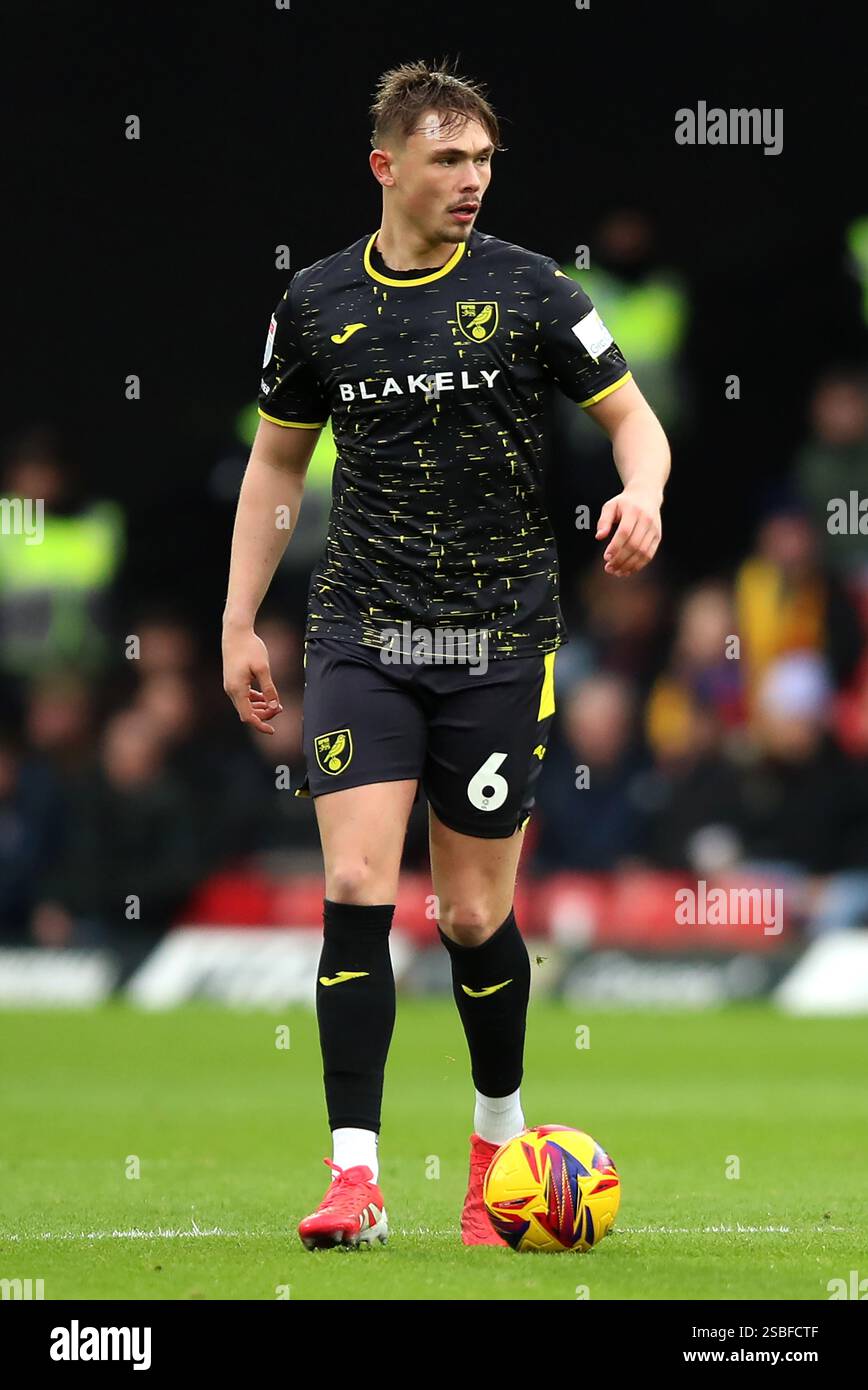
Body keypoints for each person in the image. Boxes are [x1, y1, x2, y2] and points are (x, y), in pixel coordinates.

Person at [221, 59, 670, 1249]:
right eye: (447, 161)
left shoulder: (531, 292)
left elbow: (633, 419)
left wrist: (643, 495)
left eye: (482, 161)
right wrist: (236, 618)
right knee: (358, 888)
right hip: (362, 630)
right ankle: (354, 1179)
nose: (470, 181)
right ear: (387, 168)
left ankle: (495, 1150)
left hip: (496, 640)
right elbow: (275, 465)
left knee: (474, 916)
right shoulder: (315, 303)